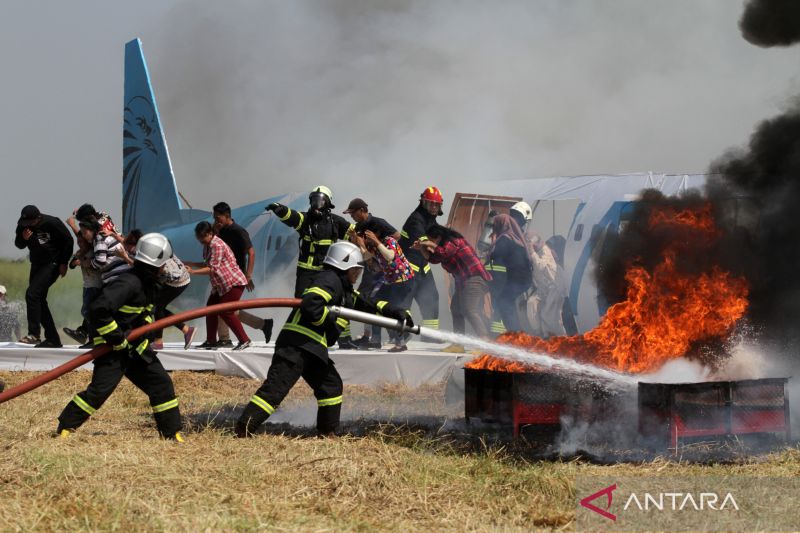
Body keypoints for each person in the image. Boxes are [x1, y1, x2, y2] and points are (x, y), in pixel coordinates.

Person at [235, 242, 412, 437]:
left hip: (312, 348)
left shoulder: (344, 289)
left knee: (331, 385)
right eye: (356, 269)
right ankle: (243, 429)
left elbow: (368, 303)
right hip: (297, 345)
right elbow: (312, 305)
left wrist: (396, 311)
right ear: (344, 265)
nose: (358, 274)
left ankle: (327, 432)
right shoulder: (329, 279)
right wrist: (331, 321)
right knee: (276, 389)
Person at [55, 233, 184, 441]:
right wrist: (116, 338)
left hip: (136, 349)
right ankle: (65, 427)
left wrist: (145, 335)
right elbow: (98, 309)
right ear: (156, 263)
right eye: (165, 262)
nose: (166, 266)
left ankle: (171, 433)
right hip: (113, 349)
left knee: (161, 385)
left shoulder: (150, 285)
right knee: (99, 392)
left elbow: (145, 315)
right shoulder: (128, 283)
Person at [265, 186, 357, 348]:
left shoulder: (336, 222)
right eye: (314, 200)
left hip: (327, 272)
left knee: (338, 303)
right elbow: (292, 217)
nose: (316, 204)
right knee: (302, 305)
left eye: (320, 200)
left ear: (327, 203)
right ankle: (299, 337)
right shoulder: (305, 220)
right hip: (305, 272)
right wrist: (279, 209)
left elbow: (355, 234)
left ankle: (344, 338)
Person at [414, 224, 491, 353]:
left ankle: (485, 343)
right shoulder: (442, 246)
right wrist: (421, 248)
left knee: (470, 310)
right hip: (463, 282)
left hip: (474, 279)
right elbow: (433, 259)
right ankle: (458, 344)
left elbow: (444, 252)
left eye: (432, 240)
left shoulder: (453, 241)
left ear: (438, 237)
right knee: (456, 310)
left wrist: (428, 244)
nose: (430, 243)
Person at [343, 198, 404, 349]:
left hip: (383, 273)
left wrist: (377, 243)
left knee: (378, 302)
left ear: (362, 211)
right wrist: (354, 240)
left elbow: (397, 236)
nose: (351, 216)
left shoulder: (378, 223)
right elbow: (356, 247)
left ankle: (389, 337)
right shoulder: (357, 228)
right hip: (369, 270)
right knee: (364, 301)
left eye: (353, 213)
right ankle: (369, 337)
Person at [212, 202, 273, 346]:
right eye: (214, 218)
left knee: (224, 307)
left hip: (235, 276)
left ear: (227, 216)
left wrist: (248, 276)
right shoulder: (221, 230)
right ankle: (263, 324)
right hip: (224, 275)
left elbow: (251, 253)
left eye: (218, 218)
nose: (216, 221)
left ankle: (225, 339)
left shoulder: (239, 231)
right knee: (229, 309)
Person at [14, 205, 74, 347]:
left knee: (32, 294)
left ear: (38, 218)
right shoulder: (23, 225)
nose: (27, 225)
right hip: (36, 264)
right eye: (25, 223)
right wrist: (23, 239)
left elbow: (68, 241)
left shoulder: (52, 223)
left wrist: (63, 262)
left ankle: (34, 334)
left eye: (30, 222)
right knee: (39, 300)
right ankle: (53, 338)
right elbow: (18, 244)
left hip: (52, 264)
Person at [186, 221, 251, 351]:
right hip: (221, 285)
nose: (201, 241)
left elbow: (213, 268)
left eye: (203, 237)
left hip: (233, 283)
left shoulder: (217, 245)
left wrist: (193, 272)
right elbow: (207, 263)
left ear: (210, 234)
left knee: (226, 311)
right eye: (199, 238)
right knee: (210, 309)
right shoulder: (208, 245)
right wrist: (191, 263)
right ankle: (211, 341)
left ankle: (244, 340)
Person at [398, 187, 443, 335]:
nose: (434, 207)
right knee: (404, 304)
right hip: (408, 269)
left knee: (432, 300)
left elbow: (439, 235)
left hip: (422, 268)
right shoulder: (416, 219)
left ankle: (431, 336)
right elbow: (424, 242)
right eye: (431, 204)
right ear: (423, 202)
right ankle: (401, 337)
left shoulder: (431, 219)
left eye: (437, 204)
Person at [485, 214, 532, 333]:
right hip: (522, 279)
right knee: (507, 302)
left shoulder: (505, 238)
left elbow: (496, 256)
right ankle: (516, 334)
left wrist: (490, 248)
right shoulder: (515, 238)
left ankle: (516, 334)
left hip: (518, 279)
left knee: (503, 301)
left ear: (501, 225)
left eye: (496, 224)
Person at [151, 254, 196, 350]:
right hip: (181, 277)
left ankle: (158, 340)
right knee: (158, 307)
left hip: (176, 281)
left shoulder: (150, 250)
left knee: (158, 307)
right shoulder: (161, 244)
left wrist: (125, 257)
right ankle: (186, 330)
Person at [527, 236, 567, 338]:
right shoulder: (542, 253)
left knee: (549, 316)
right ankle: (541, 334)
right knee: (532, 304)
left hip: (556, 288)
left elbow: (541, 266)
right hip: (545, 290)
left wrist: (532, 251)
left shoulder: (546, 254)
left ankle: (557, 339)